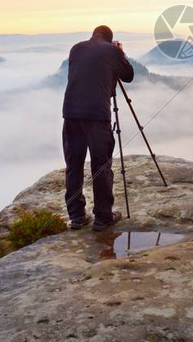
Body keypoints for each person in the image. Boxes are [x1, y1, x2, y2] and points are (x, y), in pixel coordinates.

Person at [62, 24, 134, 230]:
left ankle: (77, 217)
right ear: (110, 39)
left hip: (71, 113)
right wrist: (120, 53)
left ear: (93, 35)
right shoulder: (112, 51)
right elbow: (128, 75)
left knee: (73, 164)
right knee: (100, 165)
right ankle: (103, 217)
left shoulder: (76, 48)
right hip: (96, 115)